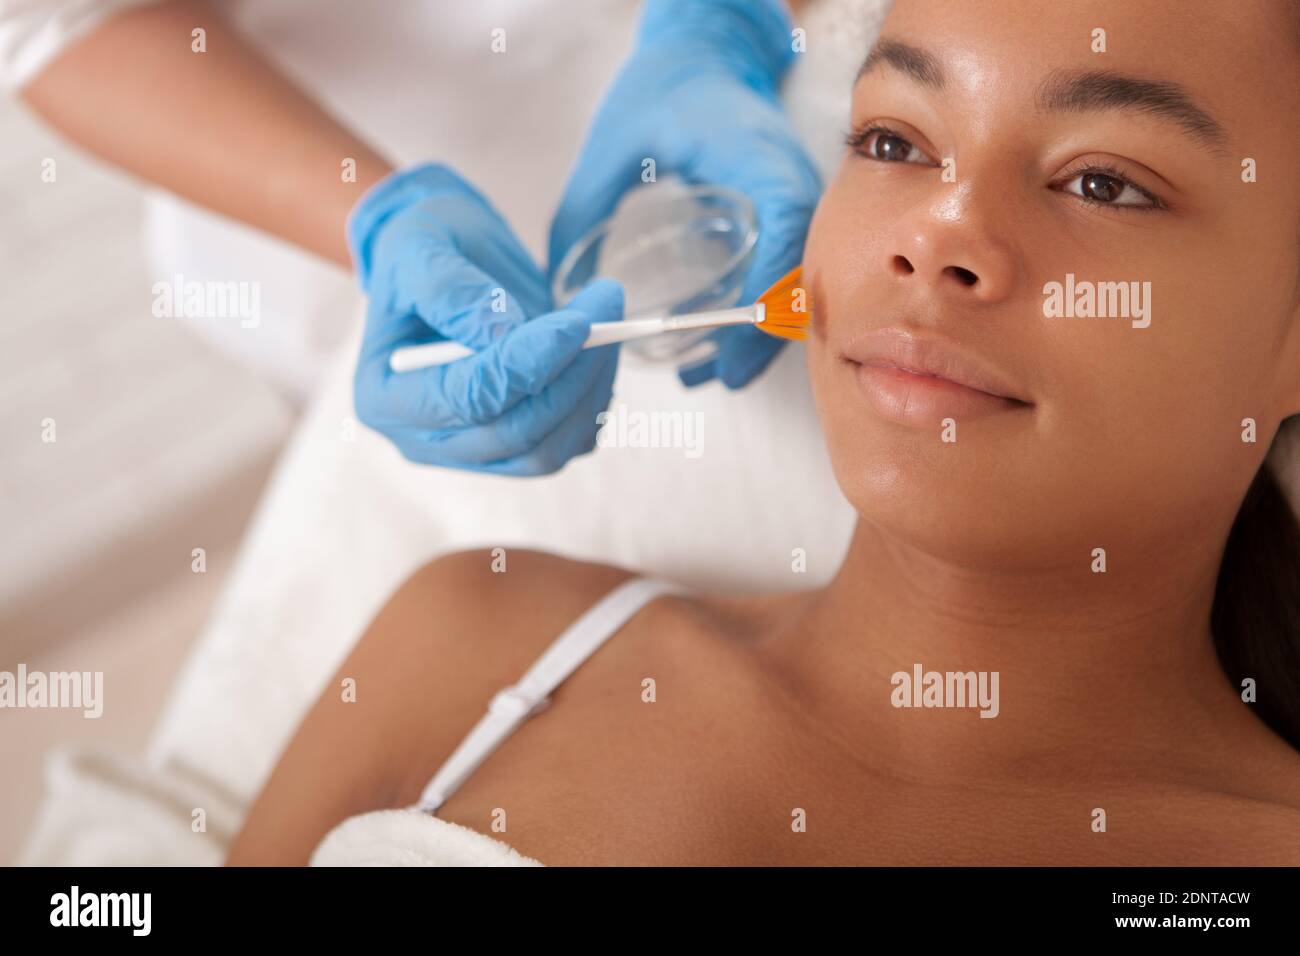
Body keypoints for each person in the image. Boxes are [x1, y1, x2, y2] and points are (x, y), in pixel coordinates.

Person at [225, 0, 1300, 866]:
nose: (937, 236)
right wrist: (373, 209)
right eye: (892, 140)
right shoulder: (472, 635)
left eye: (1104, 182)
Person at [8, 0, 820, 471]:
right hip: (312, 225)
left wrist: (719, 18)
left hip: (699, 140)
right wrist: (378, 219)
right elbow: (57, 20)